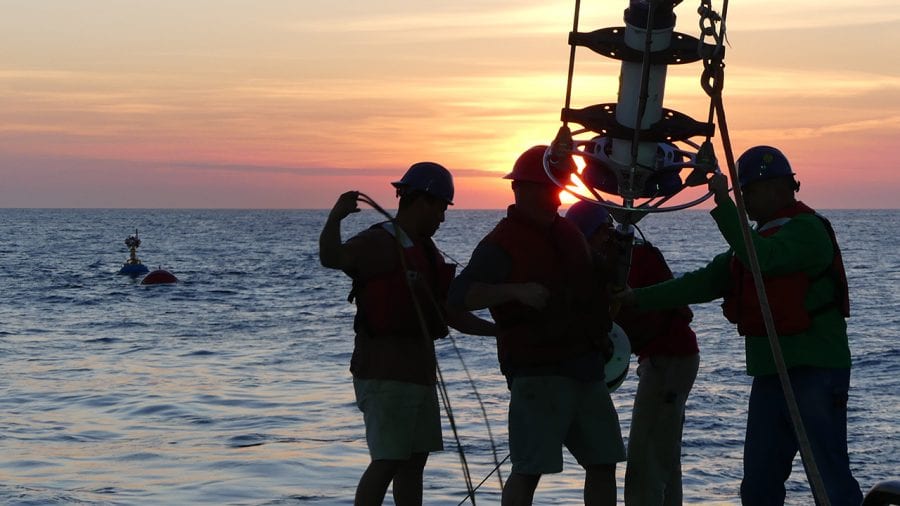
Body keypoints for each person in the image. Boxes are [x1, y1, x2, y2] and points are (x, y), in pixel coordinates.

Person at [616, 145, 862, 505]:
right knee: (759, 483)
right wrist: (636, 298)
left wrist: (722, 204)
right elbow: (702, 282)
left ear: (780, 187)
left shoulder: (808, 232)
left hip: (816, 371)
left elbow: (764, 261)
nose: (744, 199)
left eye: (749, 190)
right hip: (769, 375)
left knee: (828, 474)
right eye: (741, 192)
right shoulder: (750, 244)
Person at [448, 146, 625, 506]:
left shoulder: (569, 232)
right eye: (550, 185)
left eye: (558, 185)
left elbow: (598, 279)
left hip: (587, 369)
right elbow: (459, 297)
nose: (557, 194)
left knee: (604, 462)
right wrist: (515, 293)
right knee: (529, 469)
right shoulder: (500, 243)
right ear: (522, 189)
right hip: (538, 374)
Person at [319, 162, 496, 506]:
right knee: (387, 461)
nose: (443, 219)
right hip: (385, 374)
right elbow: (331, 258)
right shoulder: (376, 241)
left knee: (414, 463)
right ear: (423, 201)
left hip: (419, 376)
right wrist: (335, 218)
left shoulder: (426, 251)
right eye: (442, 208)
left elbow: (449, 313)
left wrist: (499, 332)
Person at [565, 200, 700, 506]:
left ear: (601, 233)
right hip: (666, 359)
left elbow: (613, 316)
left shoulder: (626, 263)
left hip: (669, 360)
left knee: (645, 461)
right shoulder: (634, 255)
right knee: (666, 457)